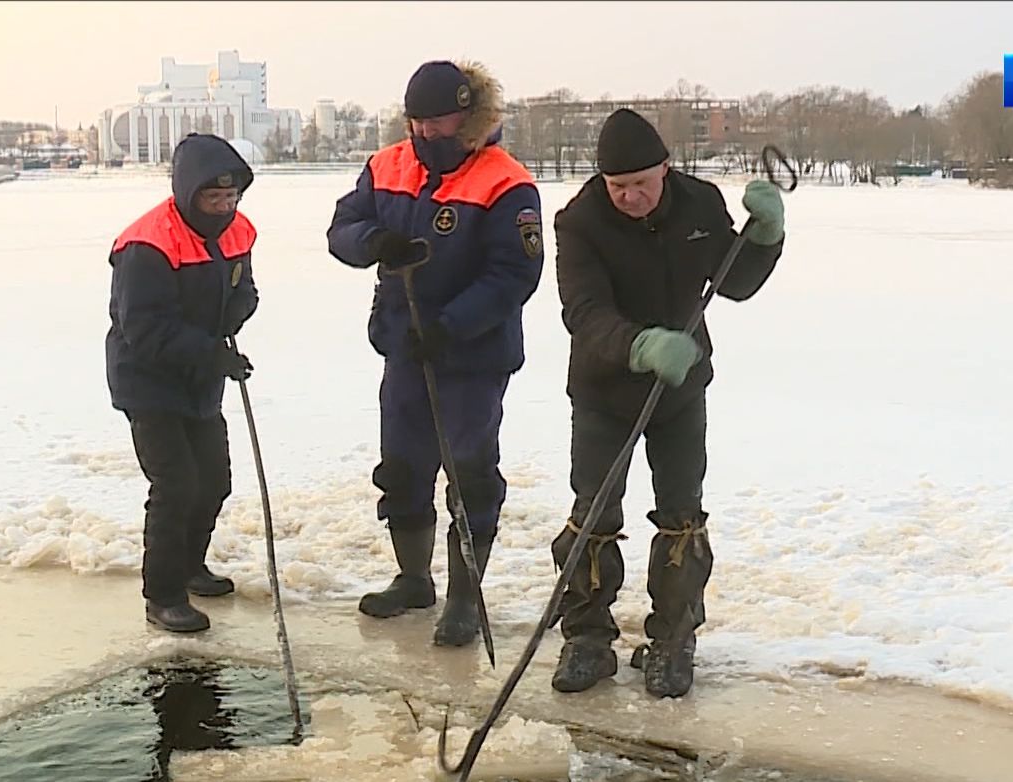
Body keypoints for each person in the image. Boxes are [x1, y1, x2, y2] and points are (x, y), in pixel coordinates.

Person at [547, 108, 786, 698]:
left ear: (666, 169)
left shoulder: (700, 204)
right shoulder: (580, 222)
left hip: (680, 392)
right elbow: (582, 312)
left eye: (641, 184)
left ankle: (673, 641)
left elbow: (734, 281)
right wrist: (639, 344)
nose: (629, 197)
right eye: (617, 186)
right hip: (605, 390)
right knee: (593, 514)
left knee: (682, 515)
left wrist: (766, 237)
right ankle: (587, 639)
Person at [326, 59, 545, 648]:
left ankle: (463, 600)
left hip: (472, 357)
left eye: (438, 121)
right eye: (416, 121)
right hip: (404, 346)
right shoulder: (386, 165)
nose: (425, 133)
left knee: (470, 475)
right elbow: (342, 228)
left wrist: (452, 327)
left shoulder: (505, 181)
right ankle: (413, 577)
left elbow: (515, 274)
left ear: (468, 116)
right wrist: (374, 241)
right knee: (402, 467)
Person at [106, 133, 259, 634]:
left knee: (214, 479)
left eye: (231, 197)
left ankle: (191, 566)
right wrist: (211, 354)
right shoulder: (147, 244)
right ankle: (163, 594)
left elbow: (243, 289)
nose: (223, 208)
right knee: (176, 485)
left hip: (199, 379)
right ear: (187, 193)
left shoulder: (238, 232)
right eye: (213, 199)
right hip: (149, 380)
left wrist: (235, 316)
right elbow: (144, 328)